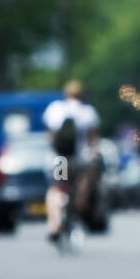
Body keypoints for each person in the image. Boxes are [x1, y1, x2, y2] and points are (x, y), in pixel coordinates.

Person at [42, 80, 101, 243]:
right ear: (82, 95)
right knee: (85, 179)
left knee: (55, 189)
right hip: (79, 159)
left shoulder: (55, 109)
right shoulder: (88, 112)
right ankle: (79, 204)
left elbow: (50, 135)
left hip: (60, 159)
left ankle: (55, 225)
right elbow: (93, 139)